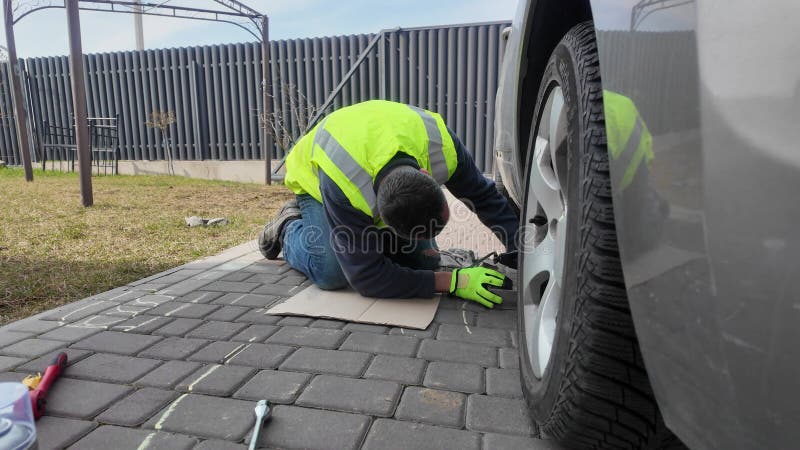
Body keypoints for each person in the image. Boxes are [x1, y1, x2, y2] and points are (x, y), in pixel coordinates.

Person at [258, 100, 519, 308]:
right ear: (377, 215)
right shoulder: (345, 187)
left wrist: (522, 249)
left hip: (379, 140)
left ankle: (375, 246)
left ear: (427, 174)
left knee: (426, 264)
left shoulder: (441, 144)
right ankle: (288, 226)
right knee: (331, 273)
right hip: (314, 180)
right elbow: (366, 278)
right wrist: (454, 281)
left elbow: (485, 197)